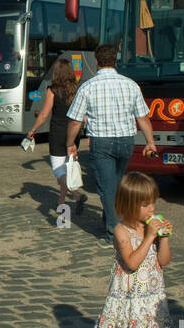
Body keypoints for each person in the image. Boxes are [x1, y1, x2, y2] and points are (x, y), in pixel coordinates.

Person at [85, 172, 172, 328]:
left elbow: (163, 261)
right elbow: (132, 262)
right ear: (129, 205)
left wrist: (163, 239)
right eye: (145, 205)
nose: (152, 209)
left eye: (153, 202)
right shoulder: (121, 231)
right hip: (125, 297)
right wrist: (150, 237)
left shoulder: (151, 229)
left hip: (150, 300)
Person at [66, 44, 161, 244]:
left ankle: (114, 232)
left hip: (102, 141)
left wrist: (70, 144)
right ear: (115, 61)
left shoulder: (88, 86)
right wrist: (150, 142)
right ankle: (110, 219)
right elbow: (142, 117)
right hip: (126, 141)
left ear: (97, 62)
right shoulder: (130, 84)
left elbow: (75, 121)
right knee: (117, 185)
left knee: (107, 188)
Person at [25, 59, 87, 213]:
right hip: (74, 134)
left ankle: (77, 195)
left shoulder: (52, 90)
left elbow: (44, 114)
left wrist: (33, 130)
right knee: (66, 168)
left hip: (58, 134)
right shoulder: (76, 89)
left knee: (58, 170)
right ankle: (61, 203)